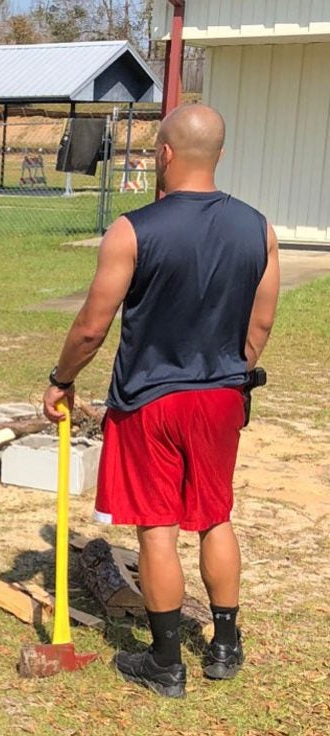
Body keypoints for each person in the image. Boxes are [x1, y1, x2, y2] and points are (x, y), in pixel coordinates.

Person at [42, 103, 280, 699]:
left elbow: (92, 327)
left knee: (158, 527)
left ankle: (166, 661)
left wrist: (62, 378)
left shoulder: (132, 230)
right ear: (219, 154)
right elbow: (260, 324)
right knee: (215, 516)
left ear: (164, 154)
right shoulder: (259, 229)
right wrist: (227, 374)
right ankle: (225, 646)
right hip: (222, 394)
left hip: (151, 400)